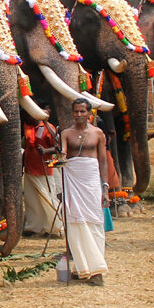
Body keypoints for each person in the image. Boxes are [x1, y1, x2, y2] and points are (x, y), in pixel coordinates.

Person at [59, 98, 109, 285]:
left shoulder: (98, 134)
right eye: (76, 111)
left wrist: (105, 188)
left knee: (94, 222)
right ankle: (82, 268)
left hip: (91, 182)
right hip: (72, 180)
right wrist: (59, 157)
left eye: (82, 111)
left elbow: (102, 161)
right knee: (75, 222)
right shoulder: (66, 133)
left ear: (89, 113)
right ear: (72, 113)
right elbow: (63, 154)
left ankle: (97, 271)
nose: (79, 115)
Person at [22, 114, 63, 236]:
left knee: (48, 198)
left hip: (44, 169)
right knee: (31, 200)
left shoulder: (47, 127)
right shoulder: (27, 127)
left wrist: (45, 151)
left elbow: (58, 147)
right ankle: (33, 227)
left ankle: (54, 228)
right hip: (29, 169)